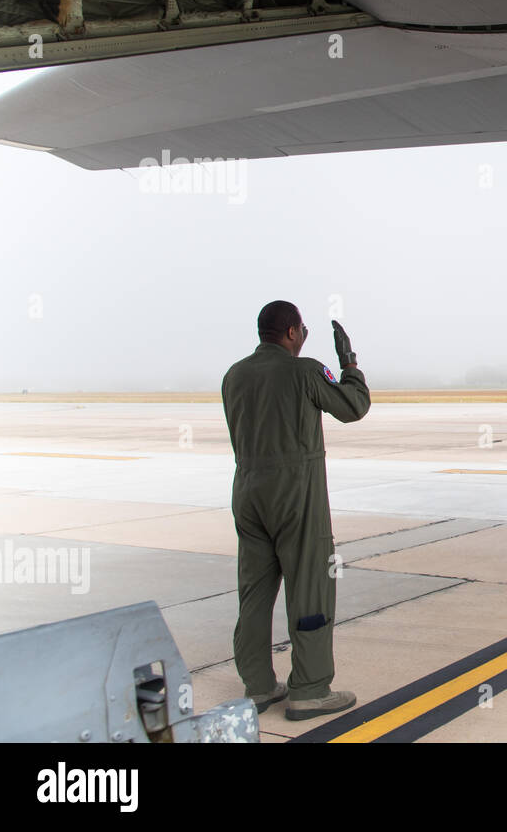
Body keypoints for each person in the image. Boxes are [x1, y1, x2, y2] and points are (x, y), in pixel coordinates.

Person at [221, 300, 370, 721]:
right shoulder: (304, 372)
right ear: (291, 332)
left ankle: (258, 687)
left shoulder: (234, 375)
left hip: (248, 493)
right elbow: (353, 407)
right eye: (301, 330)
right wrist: (349, 362)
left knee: (254, 594)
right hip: (295, 494)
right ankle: (309, 688)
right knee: (310, 588)